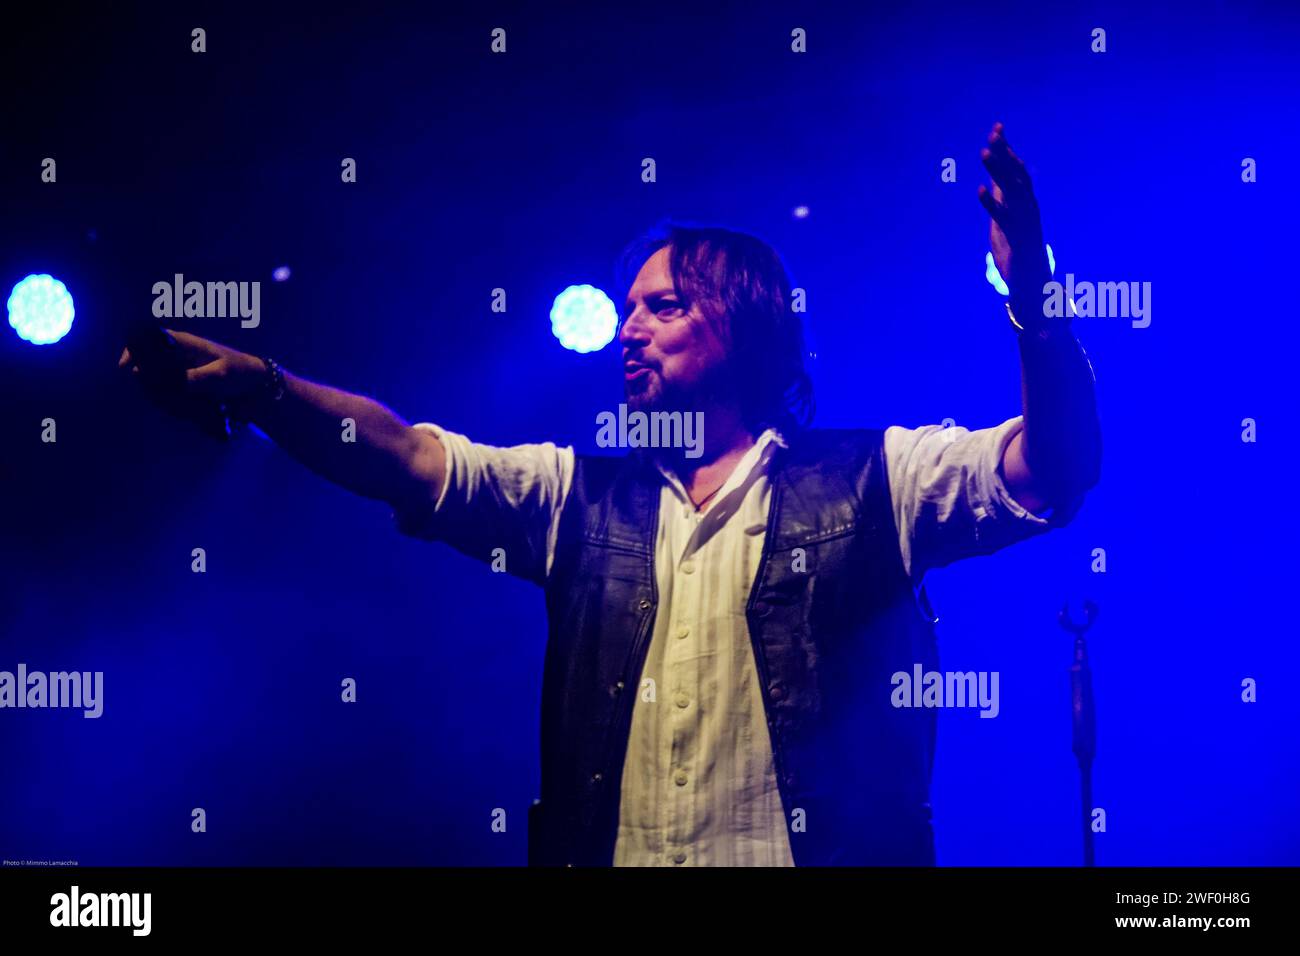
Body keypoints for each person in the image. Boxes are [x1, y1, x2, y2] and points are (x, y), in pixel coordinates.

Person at [120, 122, 1101, 866]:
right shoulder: (577, 500)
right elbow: (405, 457)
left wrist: (1035, 296)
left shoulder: (878, 477)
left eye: (663, 306)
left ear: (746, 322)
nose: (630, 330)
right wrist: (267, 387)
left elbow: (1057, 469)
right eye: (626, 309)